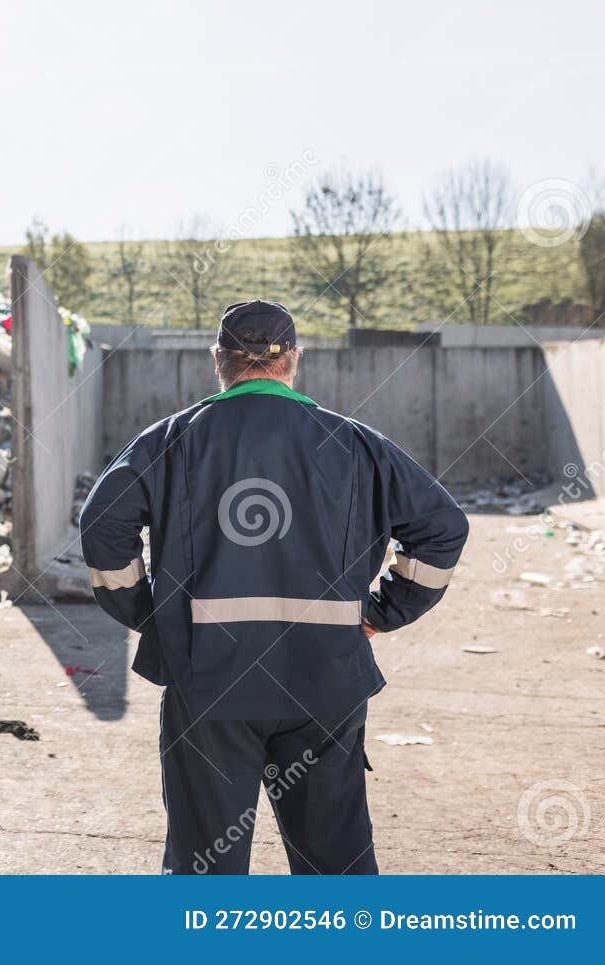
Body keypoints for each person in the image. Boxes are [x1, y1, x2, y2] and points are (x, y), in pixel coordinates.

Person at [78, 300, 468, 874]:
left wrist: (154, 614)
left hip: (207, 678)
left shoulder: (172, 439)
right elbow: (443, 526)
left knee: (205, 864)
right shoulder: (355, 443)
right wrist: (385, 611)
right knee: (334, 858)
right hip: (325, 679)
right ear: (295, 360)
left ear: (219, 360)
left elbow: (102, 522)